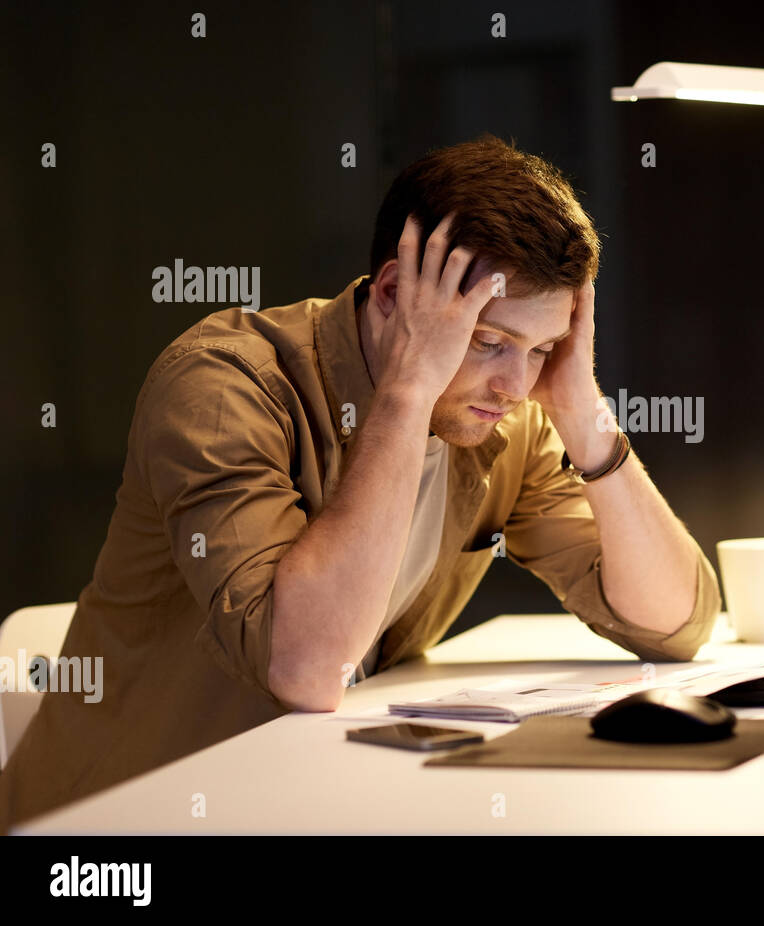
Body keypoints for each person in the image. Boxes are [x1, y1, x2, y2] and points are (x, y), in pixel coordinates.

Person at [0, 134, 720, 832]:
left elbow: (672, 623)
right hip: (122, 826)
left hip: (303, 799)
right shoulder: (224, 386)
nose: (514, 383)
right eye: (489, 341)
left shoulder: (504, 418)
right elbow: (310, 668)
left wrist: (582, 411)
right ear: (392, 295)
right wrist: (407, 391)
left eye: (540, 351)